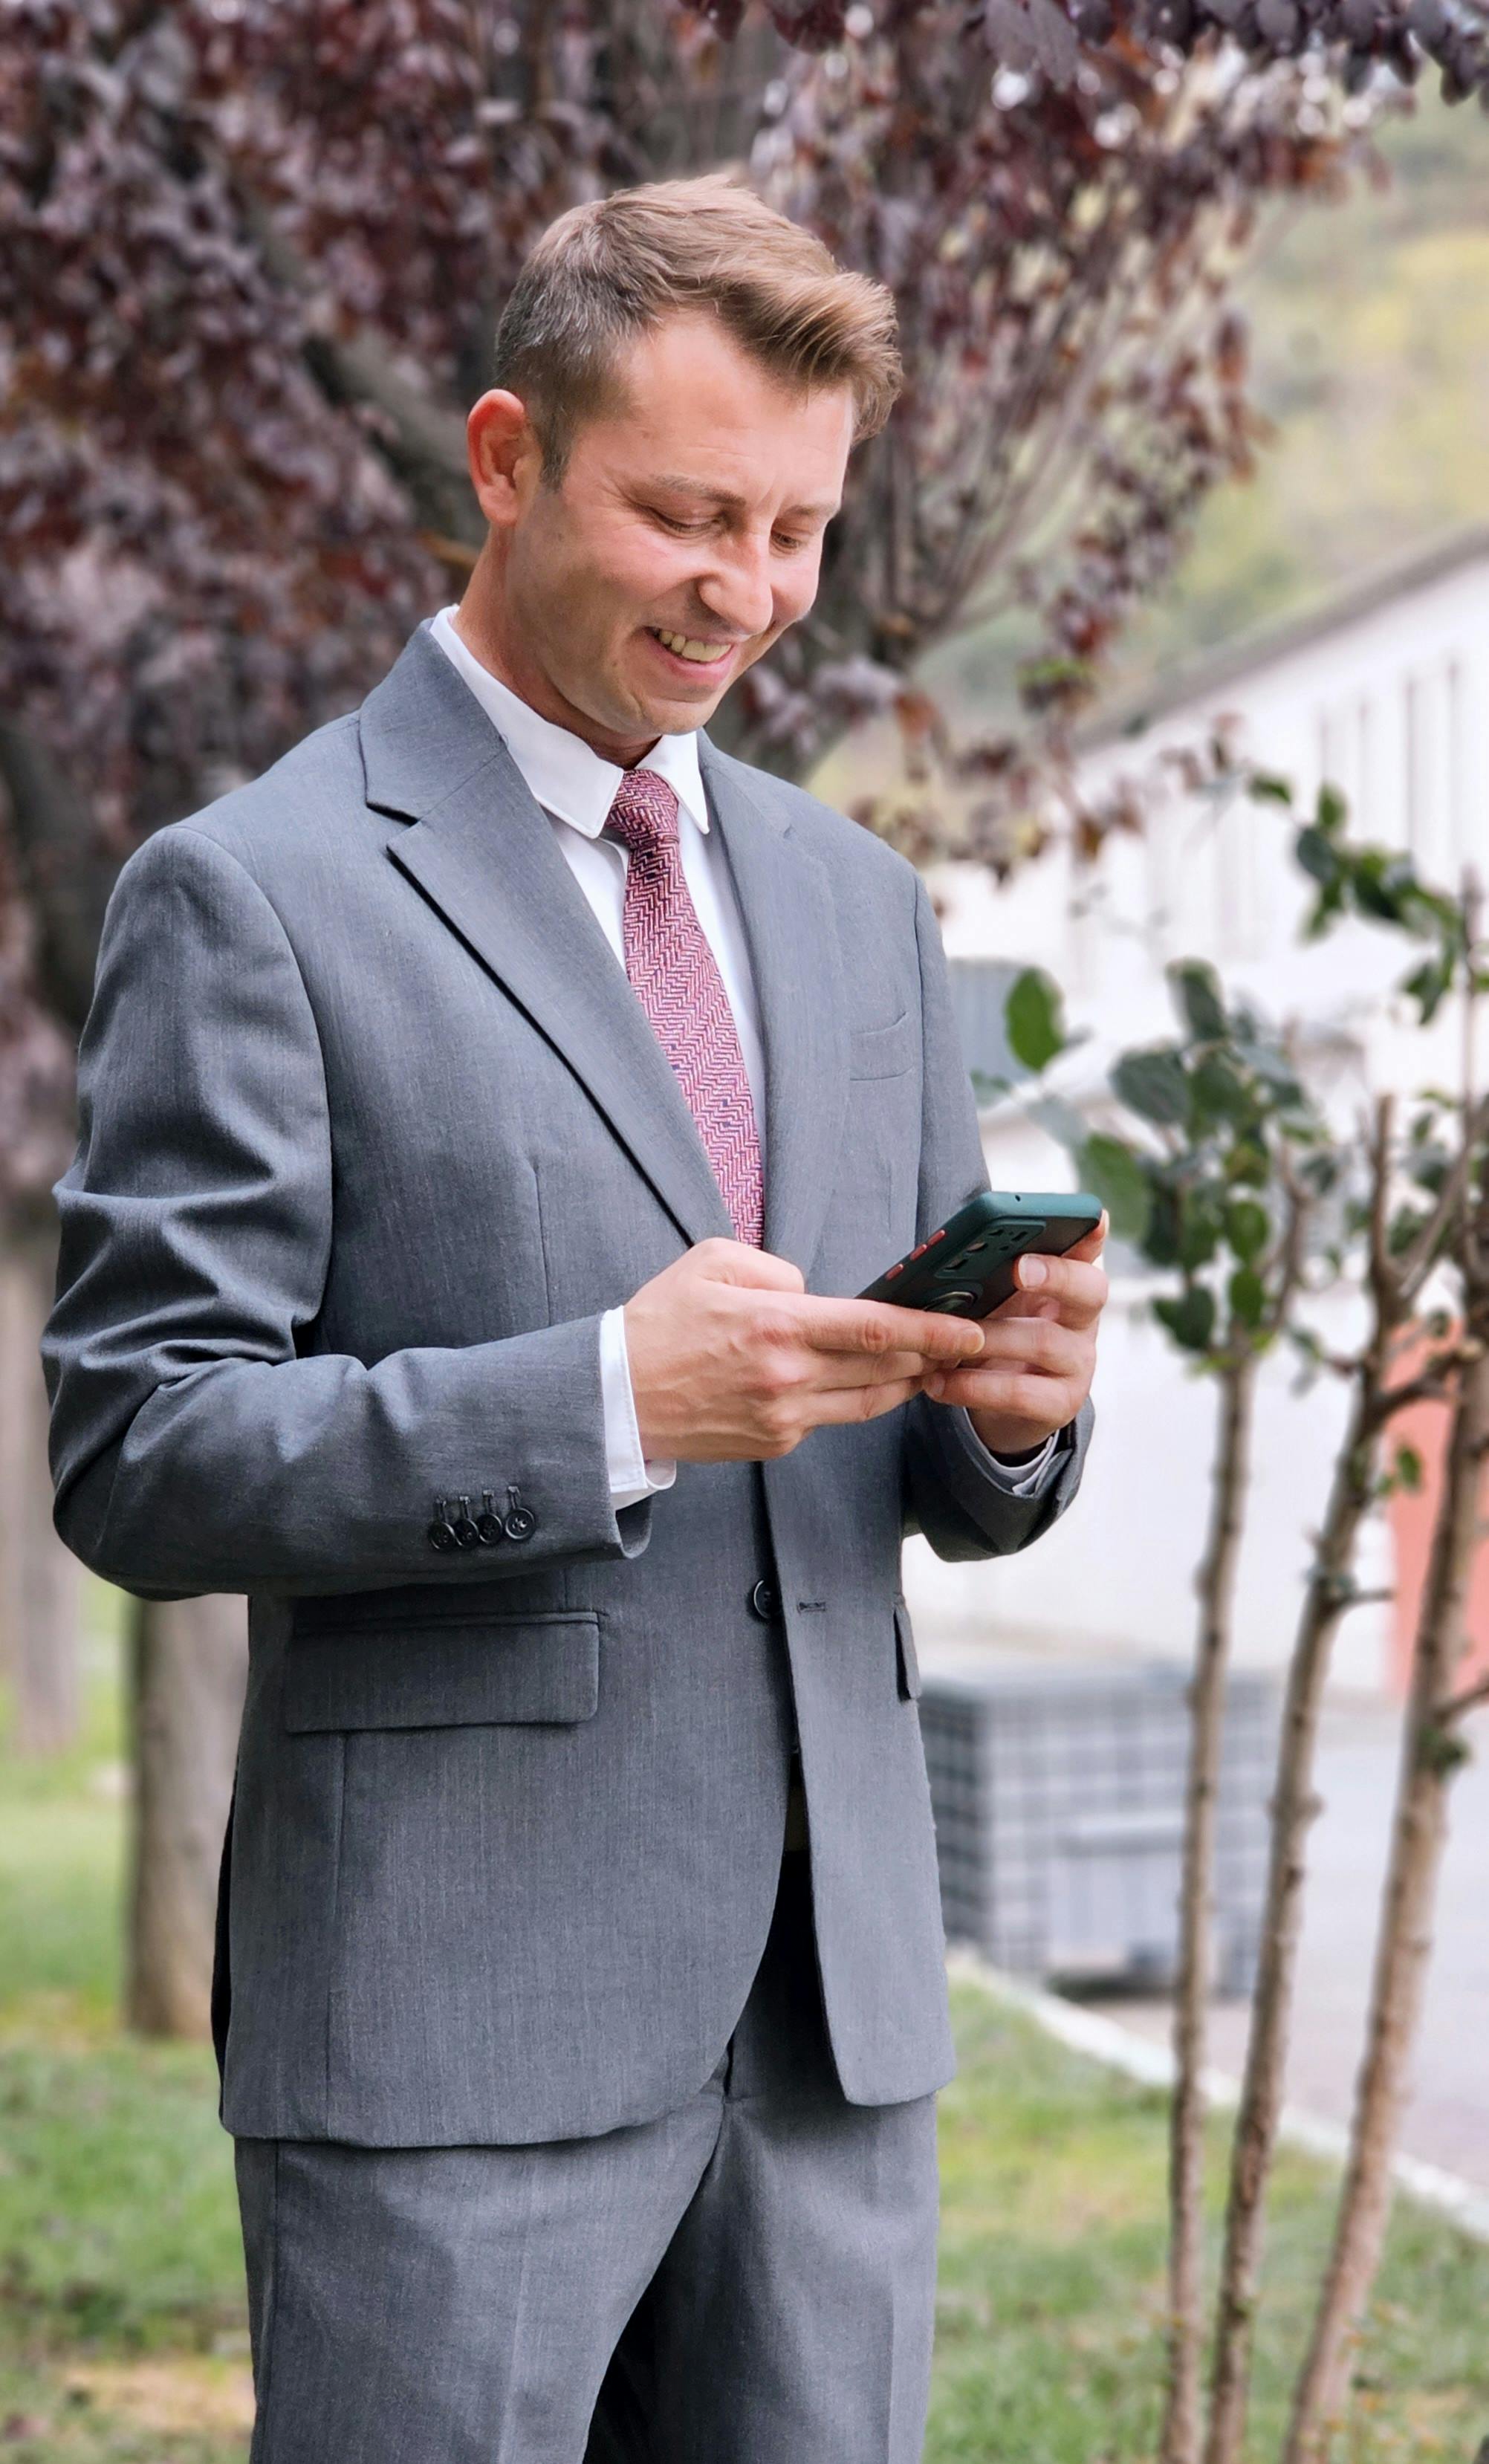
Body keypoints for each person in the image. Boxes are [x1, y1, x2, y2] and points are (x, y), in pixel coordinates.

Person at [43, 174, 1106, 2464]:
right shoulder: (253, 893)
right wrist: (606, 1400)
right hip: (450, 2031)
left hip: (830, 2033)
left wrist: (1004, 1421)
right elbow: (139, 1448)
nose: (748, 594)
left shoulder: (856, 903)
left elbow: (898, 1448)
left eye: (799, 529)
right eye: (686, 515)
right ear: (506, 456)